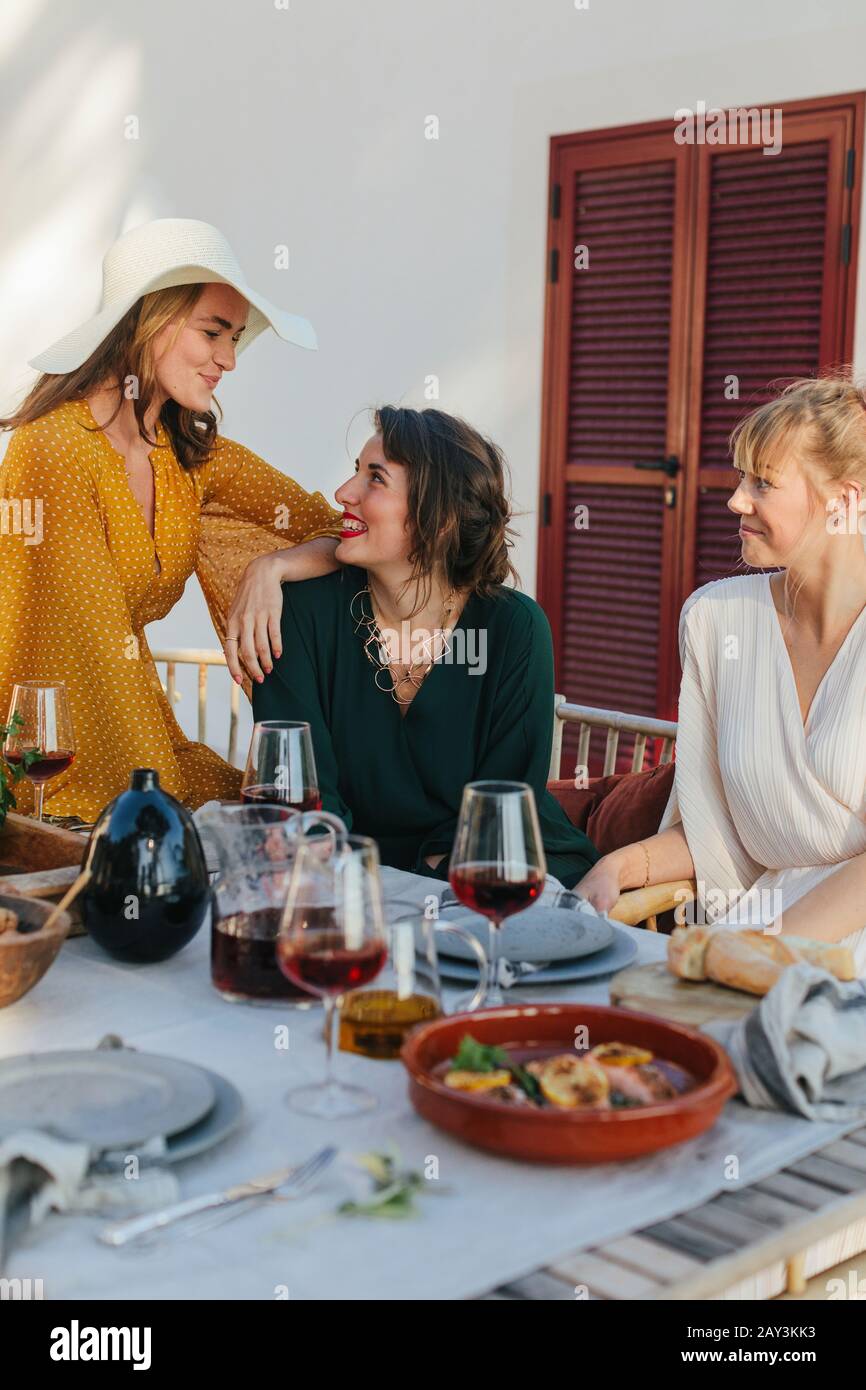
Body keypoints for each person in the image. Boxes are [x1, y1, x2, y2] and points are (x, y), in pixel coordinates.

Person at [0, 218, 342, 820]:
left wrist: (273, 567)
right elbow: (96, 643)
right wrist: (159, 801)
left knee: (283, 820)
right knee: (239, 830)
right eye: (214, 333)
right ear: (149, 318)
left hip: (132, 726)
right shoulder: (53, 446)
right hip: (50, 762)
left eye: (234, 337)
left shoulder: (188, 458)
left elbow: (340, 530)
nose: (230, 360)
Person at [576, 374, 866, 971]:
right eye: (740, 477)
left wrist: (761, 955)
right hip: (747, 942)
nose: (735, 499)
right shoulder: (716, 619)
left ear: (844, 501)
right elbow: (714, 830)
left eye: (762, 482)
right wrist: (615, 867)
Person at [252, 405, 600, 885]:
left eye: (375, 478)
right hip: (341, 877)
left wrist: (423, 884)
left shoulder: (513, 629)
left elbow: (502, 809)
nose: (343, 493)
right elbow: (303, 797)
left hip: (490, 872)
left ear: (440, 519)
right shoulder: (300, 615)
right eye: (356, 471)